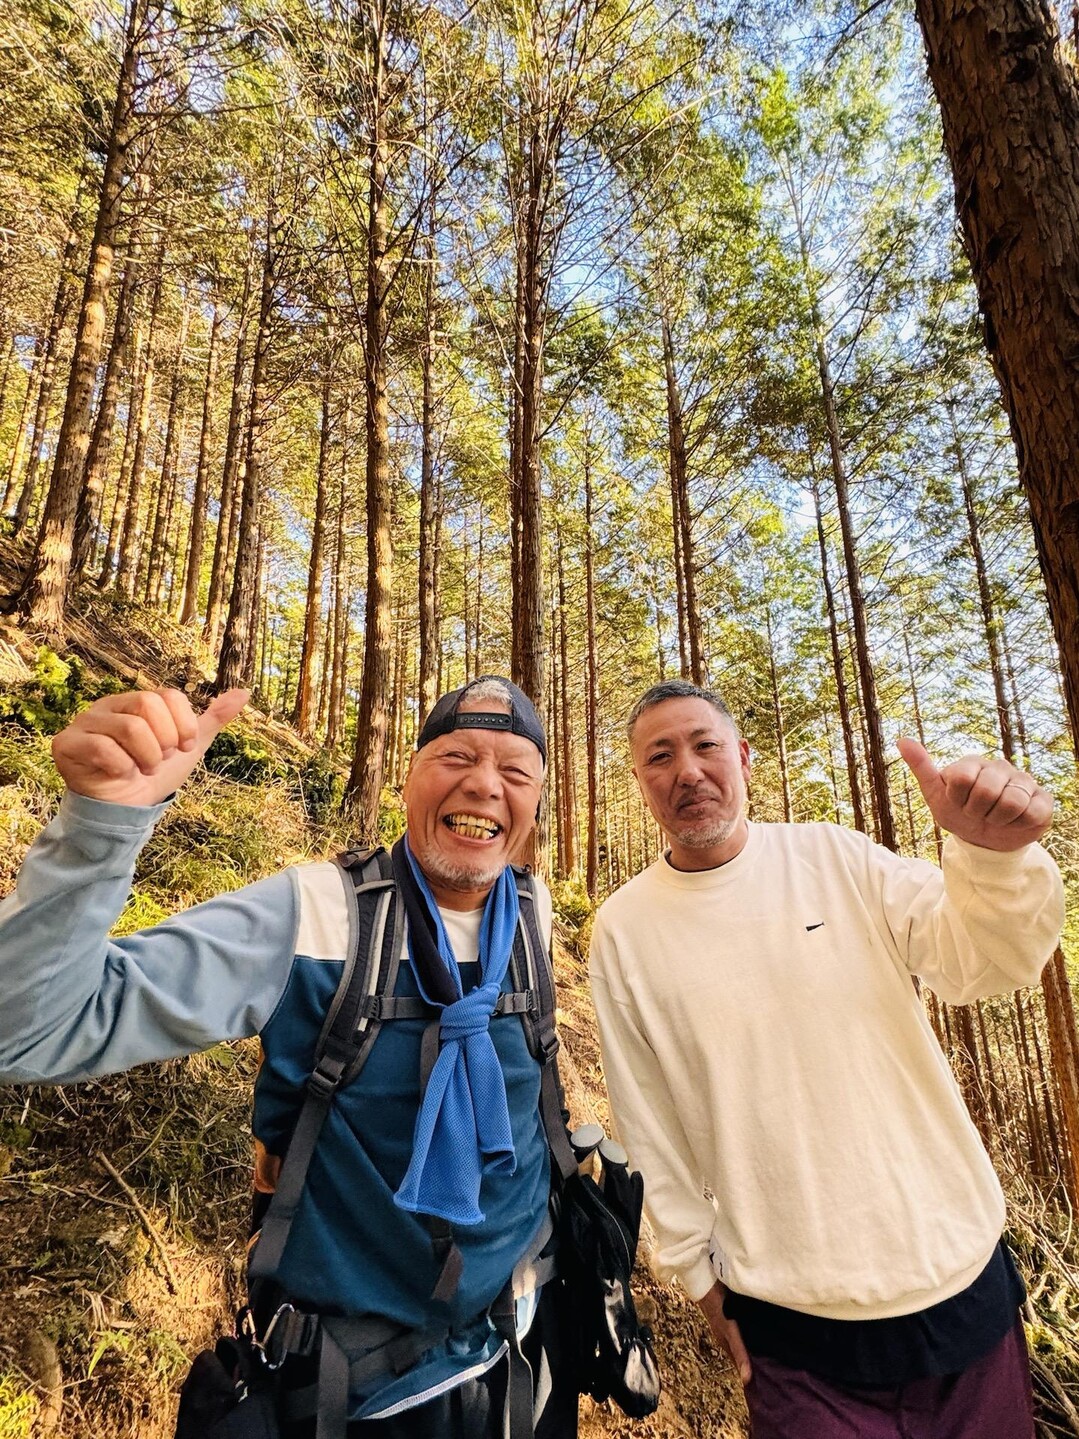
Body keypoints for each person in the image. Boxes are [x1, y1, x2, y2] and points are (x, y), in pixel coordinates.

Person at [0, 675, 579, 1439]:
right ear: (408, 775)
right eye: (457, 755)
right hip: (350, 1394)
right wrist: (102, 826)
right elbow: (29, 1027)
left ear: (536, 803)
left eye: (515, 772)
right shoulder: (313, 915)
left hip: (523, 1358)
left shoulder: (533, 917)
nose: (484, 783)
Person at [588, 678, 1064, 1439]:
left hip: (960, 1284)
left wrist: (993, 861)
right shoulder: (624, 930)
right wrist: (700, 1285)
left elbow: (978, 962)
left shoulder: (832, 855)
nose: (686, 769)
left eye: (705, 744)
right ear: (641, 780)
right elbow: (649, 1126)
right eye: (659, 755)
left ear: (742, 758)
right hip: (790, 1331)